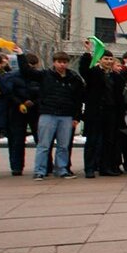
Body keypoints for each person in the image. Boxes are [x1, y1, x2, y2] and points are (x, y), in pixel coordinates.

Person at [20, 50, 82, 179]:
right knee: (44, 144)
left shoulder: (73, 78)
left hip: (66, 114)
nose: (62, 65)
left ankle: (61, 169)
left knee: (63, 145)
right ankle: (40, 170)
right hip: (48, 113)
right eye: (59, 62)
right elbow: (27, 72)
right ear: (54, 63)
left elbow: (77, 99)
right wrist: (20, 56)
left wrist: (76, 116)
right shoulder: (45, 75)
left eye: (64, 62)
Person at [78, 42, 126, 177]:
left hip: (111, 113)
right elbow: (83, 70)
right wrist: (87, 53)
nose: (109, 61)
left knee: (108, 141)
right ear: (100, 60)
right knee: (93, 141)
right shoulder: (93, 73)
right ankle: (89, 168)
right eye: (106, 59)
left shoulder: (116, 76)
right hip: (95, 112)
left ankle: (105, 167)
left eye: (111, 59)